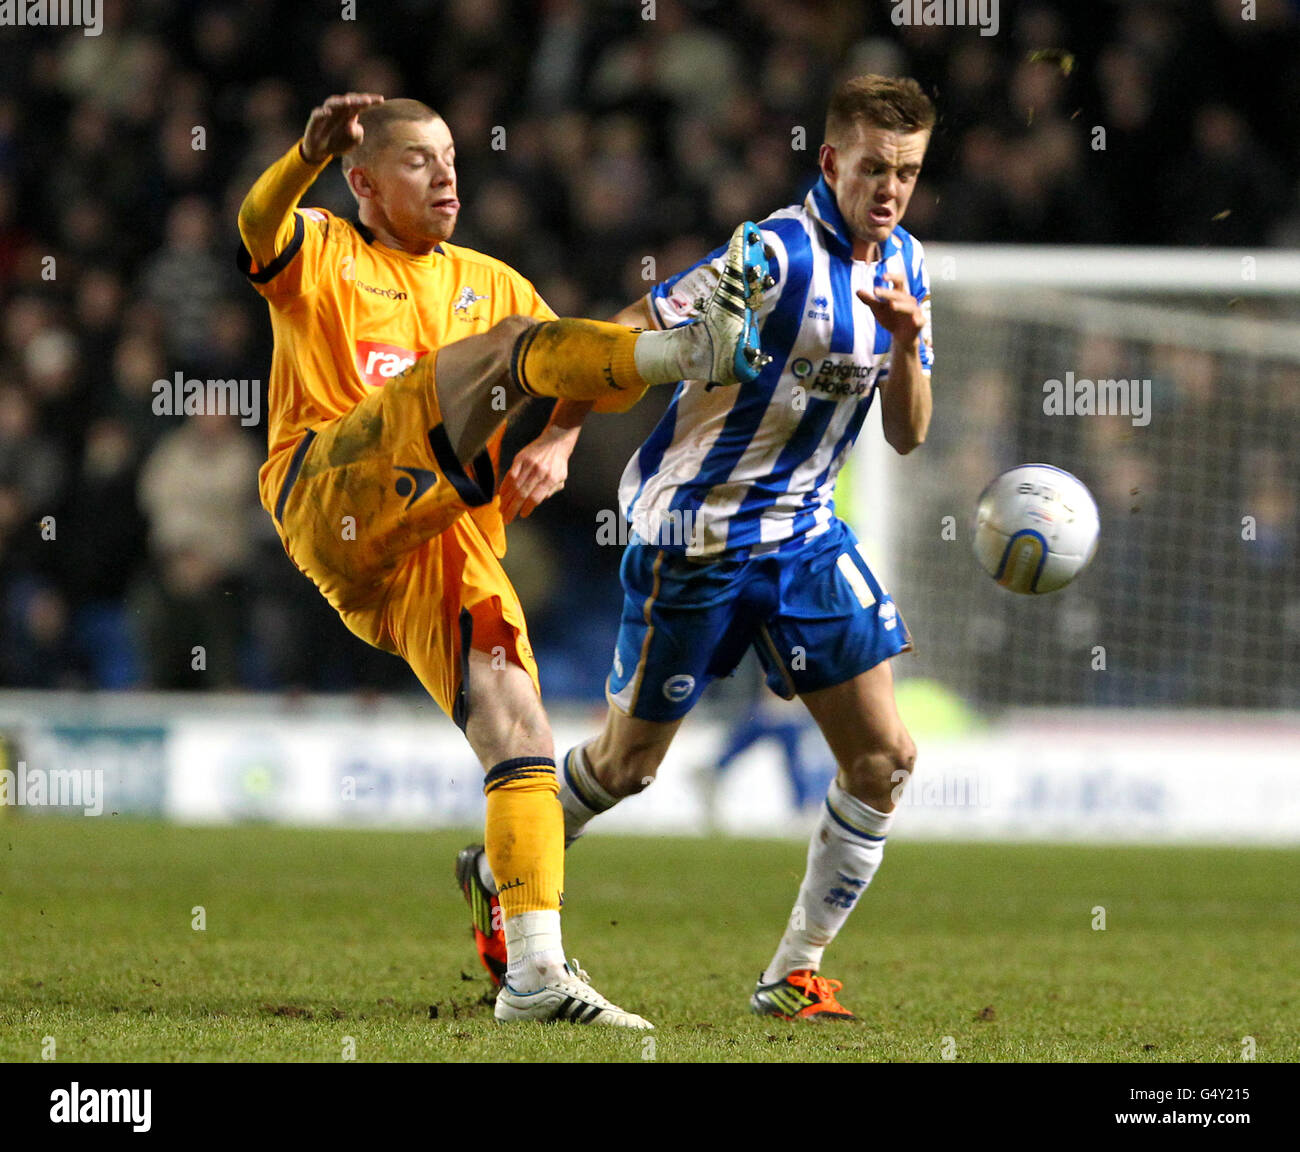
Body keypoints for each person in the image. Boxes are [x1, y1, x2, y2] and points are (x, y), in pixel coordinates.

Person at [238, 92, 768, 1028]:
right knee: (501, 352)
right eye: (418, 162)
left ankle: (532, 973)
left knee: (517, 721)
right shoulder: (322, 248)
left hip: (440, 533)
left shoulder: (494, 280)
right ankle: (690, 350)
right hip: (330, 490)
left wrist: (560, 444)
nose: (447, 174)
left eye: (450, 157)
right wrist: (302, 155)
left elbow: (565, 363)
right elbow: (255, 227)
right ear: (361, 181)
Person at [460, 74, 934, 1021]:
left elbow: (909, 436)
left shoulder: (907, 267)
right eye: (874, 168)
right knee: (631, 766)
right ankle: (500, 865)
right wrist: (556, 434)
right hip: (698, 535)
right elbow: (636, 327)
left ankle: (791, 972)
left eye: (909, 173)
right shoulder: (768, 255)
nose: (890, 190)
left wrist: (909, 344)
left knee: (884, 759)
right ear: (831, 159)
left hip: (803, 537)